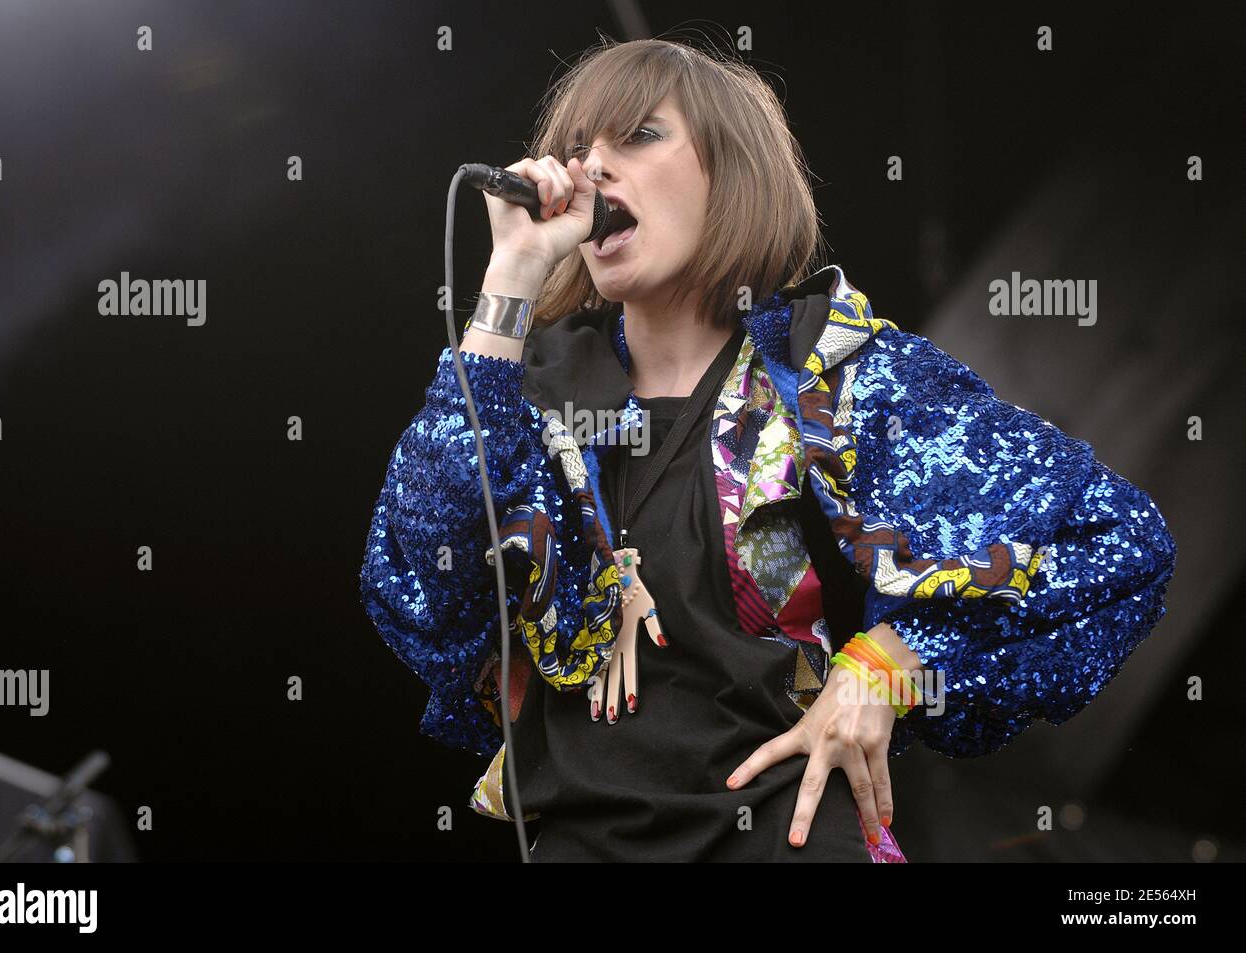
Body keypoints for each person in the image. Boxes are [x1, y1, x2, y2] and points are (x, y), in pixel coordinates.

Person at [359, 38, 1177, 862]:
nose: (590, 169)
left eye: (638, 135)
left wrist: (889, 665)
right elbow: (423, 587)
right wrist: (510, 278)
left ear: (732, 172)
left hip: (787, 837)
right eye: (576, 150)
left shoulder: (838, 375)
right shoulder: (527, 395)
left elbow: (1114, 544)